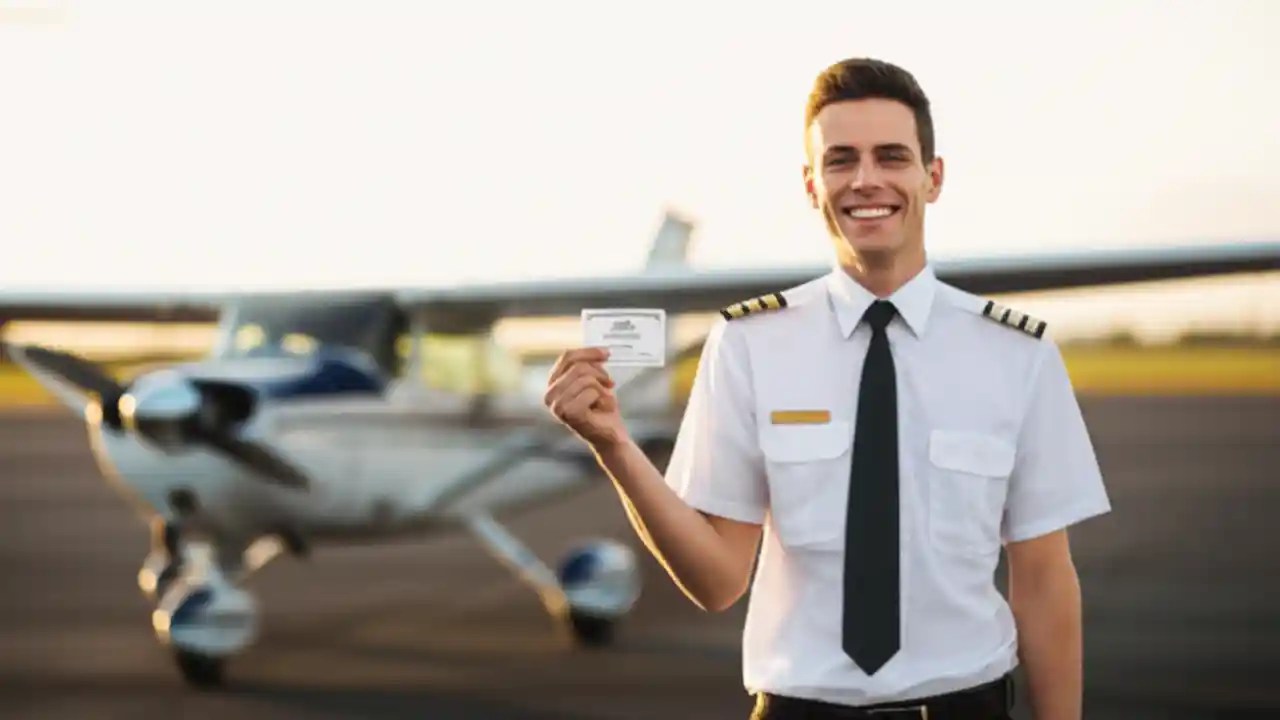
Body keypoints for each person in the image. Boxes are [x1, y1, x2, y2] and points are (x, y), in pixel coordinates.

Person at [543, 57, 1111, 720]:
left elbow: (1043, 581)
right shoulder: (748, 345)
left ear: (934, 178)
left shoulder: (1017, 354)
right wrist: (613, 445)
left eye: (891, 157)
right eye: (841, 160)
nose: (866, 180)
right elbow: (718, 580)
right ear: (812, 185)